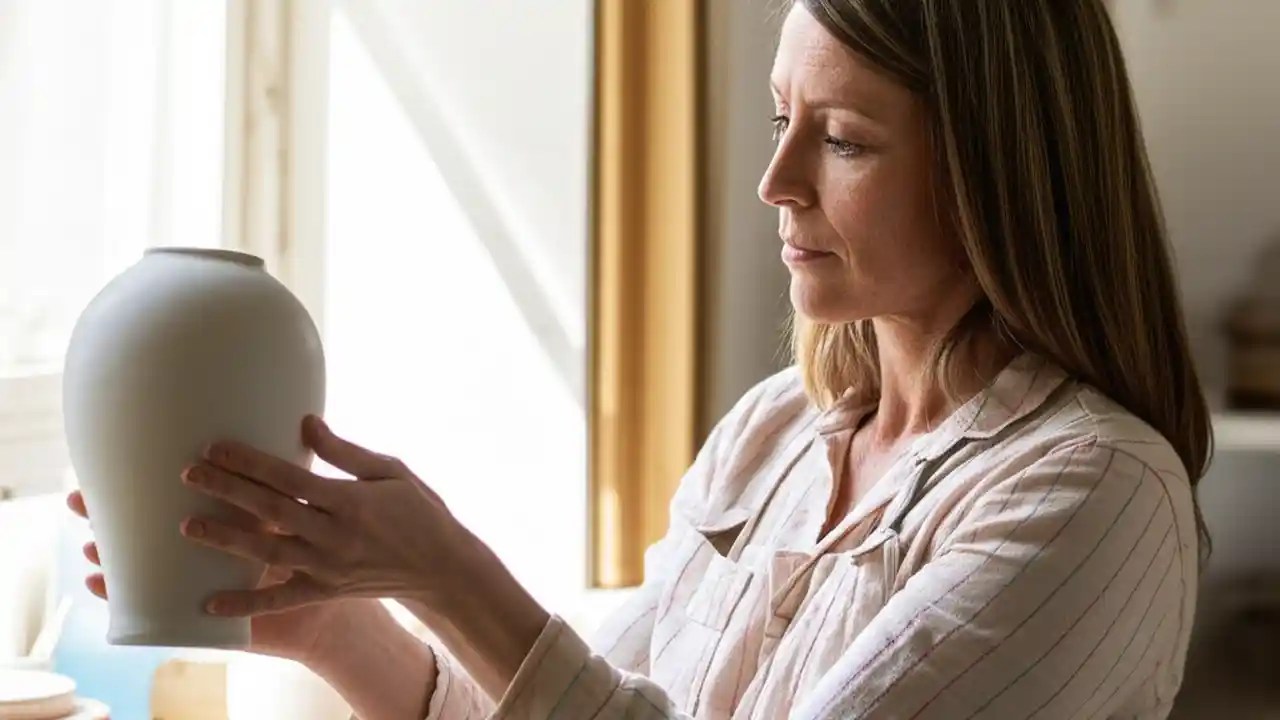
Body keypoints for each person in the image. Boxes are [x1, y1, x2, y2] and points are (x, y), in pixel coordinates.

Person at [68, 1, 1211, 717]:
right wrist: (327, 622)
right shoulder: (772, 434)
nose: (778, 183)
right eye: (778, 121)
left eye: (845, 139)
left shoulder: (1089, 495)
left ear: (1000, 170)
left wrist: (455, 574)